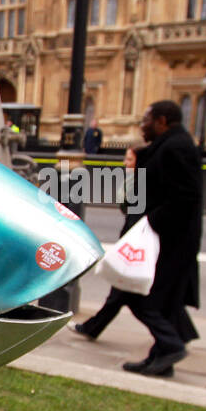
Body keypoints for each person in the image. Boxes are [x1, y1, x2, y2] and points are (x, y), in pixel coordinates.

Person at [121, 100, 202, 377]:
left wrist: (148, 222)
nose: (142, 125)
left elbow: (186, 197)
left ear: (162, 121)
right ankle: (161, 357)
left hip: (170, 241)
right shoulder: (169, 145)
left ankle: (170, 345)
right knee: (164, 300)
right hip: (168, 239)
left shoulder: (177, 147)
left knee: (140, 296)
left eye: (146, 119)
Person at [71, 145, 145, 341]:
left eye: (129, 160)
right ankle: (93, 327)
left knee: (125, 294)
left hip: (135, 247)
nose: (124, 164)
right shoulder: (136, 182)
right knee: (121, 293)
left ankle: (171, 340)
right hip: (134, 246)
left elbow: (133, 214)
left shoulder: (141, 184)